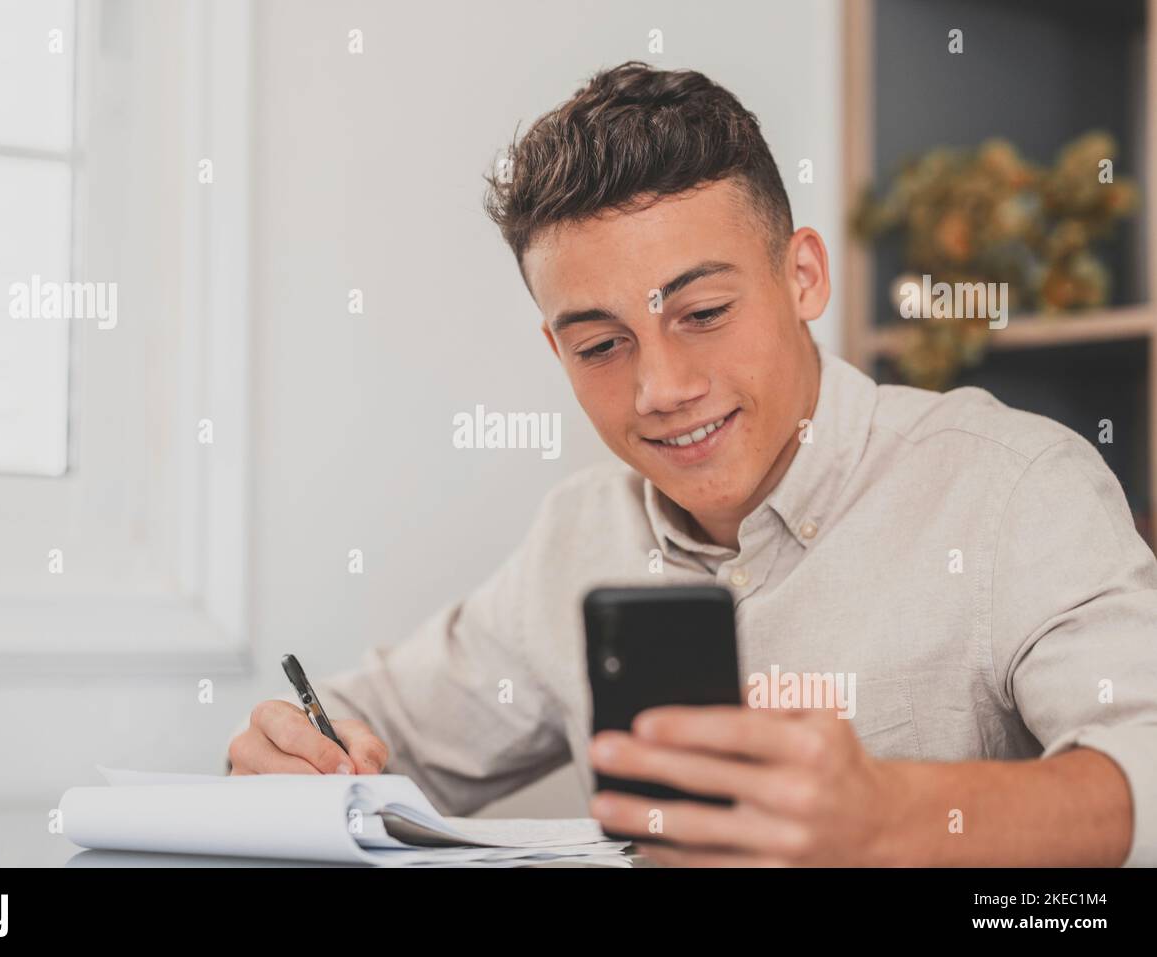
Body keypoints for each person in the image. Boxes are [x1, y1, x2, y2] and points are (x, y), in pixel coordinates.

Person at [229, 62, 1157, 866]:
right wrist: (287, 757)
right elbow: (369, 734)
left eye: (703, 313)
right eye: (601, 345)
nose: (660, 389)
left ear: (804, 276)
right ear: (558, 353)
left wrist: (891, 817)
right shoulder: (579, 538)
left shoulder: (1015, 486)